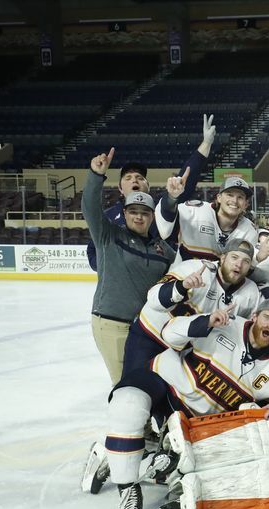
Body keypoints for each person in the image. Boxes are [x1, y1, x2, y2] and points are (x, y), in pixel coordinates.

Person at [98, 298, 269, 509]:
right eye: (266, 317)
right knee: (128, 404)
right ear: (255, 316)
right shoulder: (225, 323)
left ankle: (110, 458)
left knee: (180, 465)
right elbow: (170, 334)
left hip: (192, 421)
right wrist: (205, 322)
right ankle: (127, 488)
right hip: (167, 385)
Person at [82, 147, 175, 384]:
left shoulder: (163, 249)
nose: (139, 216)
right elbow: (90, 208)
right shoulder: (109, 236)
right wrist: (95, 175)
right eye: (133, 211)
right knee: (126, 386)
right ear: (124, 213)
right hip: (113, 324)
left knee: (150, 383)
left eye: (145, 212)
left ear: (153, 216)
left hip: (147, 327)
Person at [85, 114, 214, 271]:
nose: (135, 180)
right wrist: (114, 266)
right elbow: (93, 250)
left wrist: (206, 144)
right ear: (119, 188)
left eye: (140, 178)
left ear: (148, 186)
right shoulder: (108, 216)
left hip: (161, 281)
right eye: (128, 178)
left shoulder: (161, 207)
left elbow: (184, 181)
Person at [121, 237, 260, 376]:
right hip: (150, 337)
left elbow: (251, 330)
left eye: (246, 261)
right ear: (223, 258)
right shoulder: (194, 268)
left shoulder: (250, 292)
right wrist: (182, 286)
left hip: (185, 354)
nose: (239, 264)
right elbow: (153, 298)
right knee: (133, 391)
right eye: (234, 257)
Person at [156, 173, 258, 266]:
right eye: (230, 195)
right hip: (184, 277)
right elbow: (168, 217)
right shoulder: (196, 211)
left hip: (220, 283)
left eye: (240, 197)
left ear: (246, 204)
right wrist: (172, 197)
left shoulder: (249, 230)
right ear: (219, 198)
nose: (234, 201)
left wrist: (259, 257)